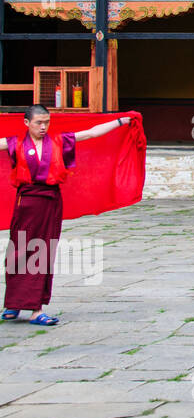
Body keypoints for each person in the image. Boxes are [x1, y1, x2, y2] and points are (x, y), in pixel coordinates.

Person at [2, 105, 132, 326]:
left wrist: (122, 121)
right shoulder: (15, 144)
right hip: (25, 203)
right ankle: (13, 303)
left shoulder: (58, 142)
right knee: (18, 251)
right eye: (38, 123)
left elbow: (91, 133)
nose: (43, 127)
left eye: (46, 122)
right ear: (27, 123)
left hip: (49, 203)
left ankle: (35, 309)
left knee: (41, 253)